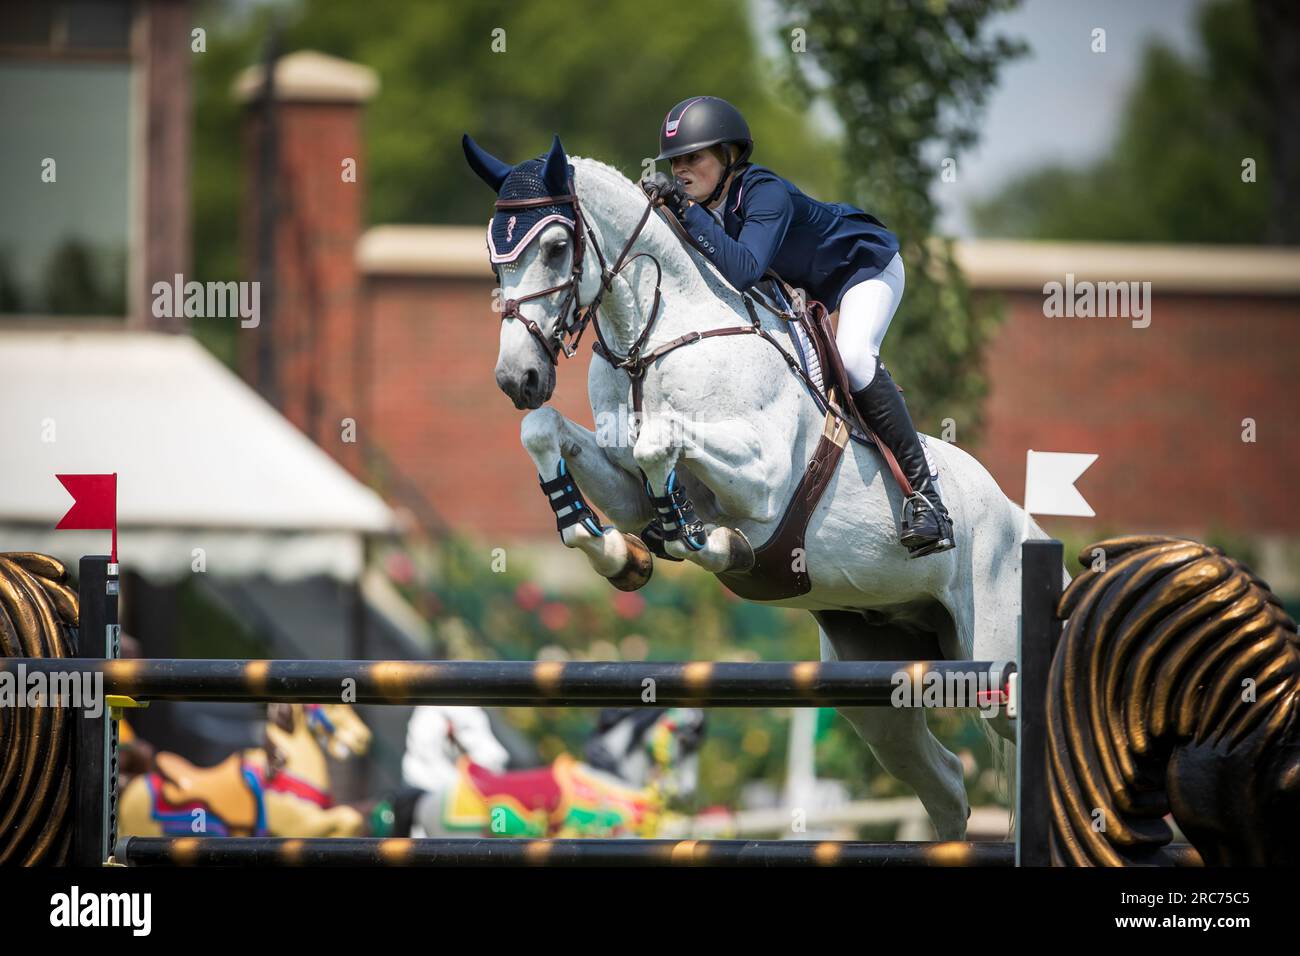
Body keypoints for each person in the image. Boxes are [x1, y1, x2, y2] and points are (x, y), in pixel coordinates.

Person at [642, 95, 953, 557]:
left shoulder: (764, 191)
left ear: (729, 156)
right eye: (675, 162)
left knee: (853, 360)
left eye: (693, 157)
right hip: (814, 291)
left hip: (864, 270)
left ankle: (928, 500)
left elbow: (744, 269)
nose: (681, 170)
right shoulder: (705, 205)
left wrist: (684, 213)